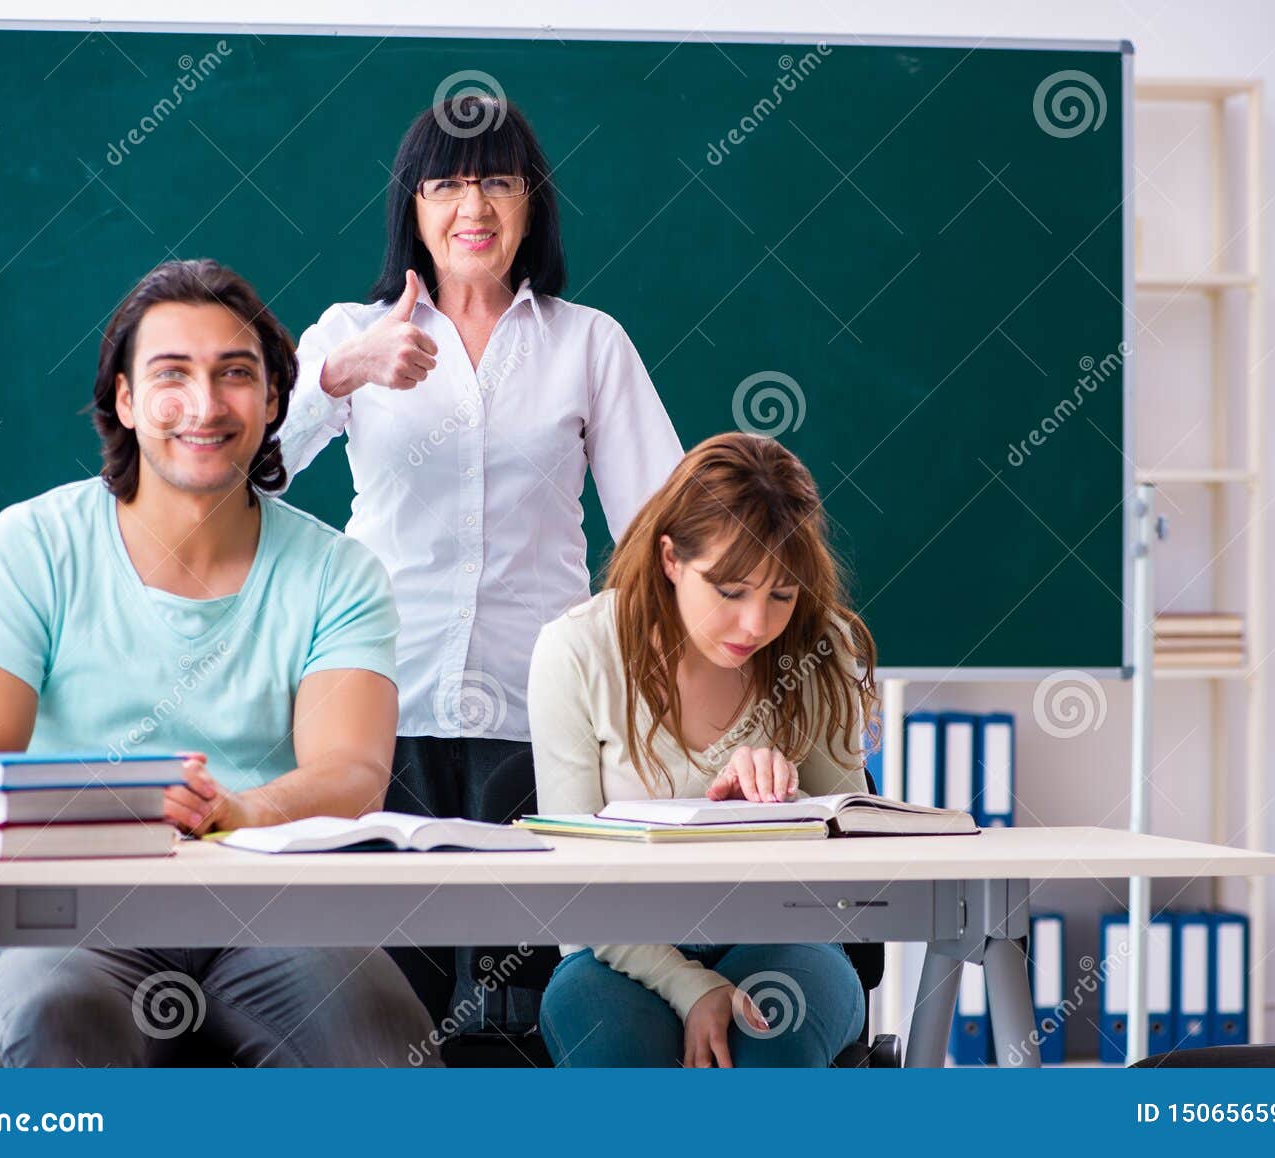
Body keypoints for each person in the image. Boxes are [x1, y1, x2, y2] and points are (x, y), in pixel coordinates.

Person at [0, 258, 434, 1067]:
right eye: (172, 375)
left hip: (270, 912)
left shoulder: (340, 573)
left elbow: (352, 774)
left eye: (236, 374)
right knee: (65, 1019)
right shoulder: (27, 548)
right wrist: (118, 802)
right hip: (68, 915)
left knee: (377, 1035)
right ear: (125, 401)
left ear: (275, 399)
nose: (205, 405)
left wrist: (241, 809)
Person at [277, 94, 682, 1024]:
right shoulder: (348, 334)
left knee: (524, 1002)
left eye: (499, 183)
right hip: (379, 702)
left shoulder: (588, 342)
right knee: (381, 1000)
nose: (474, 207)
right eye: (447, 186)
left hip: (540, 712)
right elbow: (250, 474)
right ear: (412, 208)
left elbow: (663, 530)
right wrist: (341, 375)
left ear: (531, 205)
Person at [528, 432, 881, 1067]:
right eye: (730, 590)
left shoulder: (818, 645)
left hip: (785, 938)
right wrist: (690, 986)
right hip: (616, 953)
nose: (756, 624)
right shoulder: (577, 650)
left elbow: (851, 867)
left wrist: (784, 807)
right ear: (671, 558)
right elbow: (576, 888)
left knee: (770, 1043)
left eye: (782, 594)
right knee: (618, 1053)